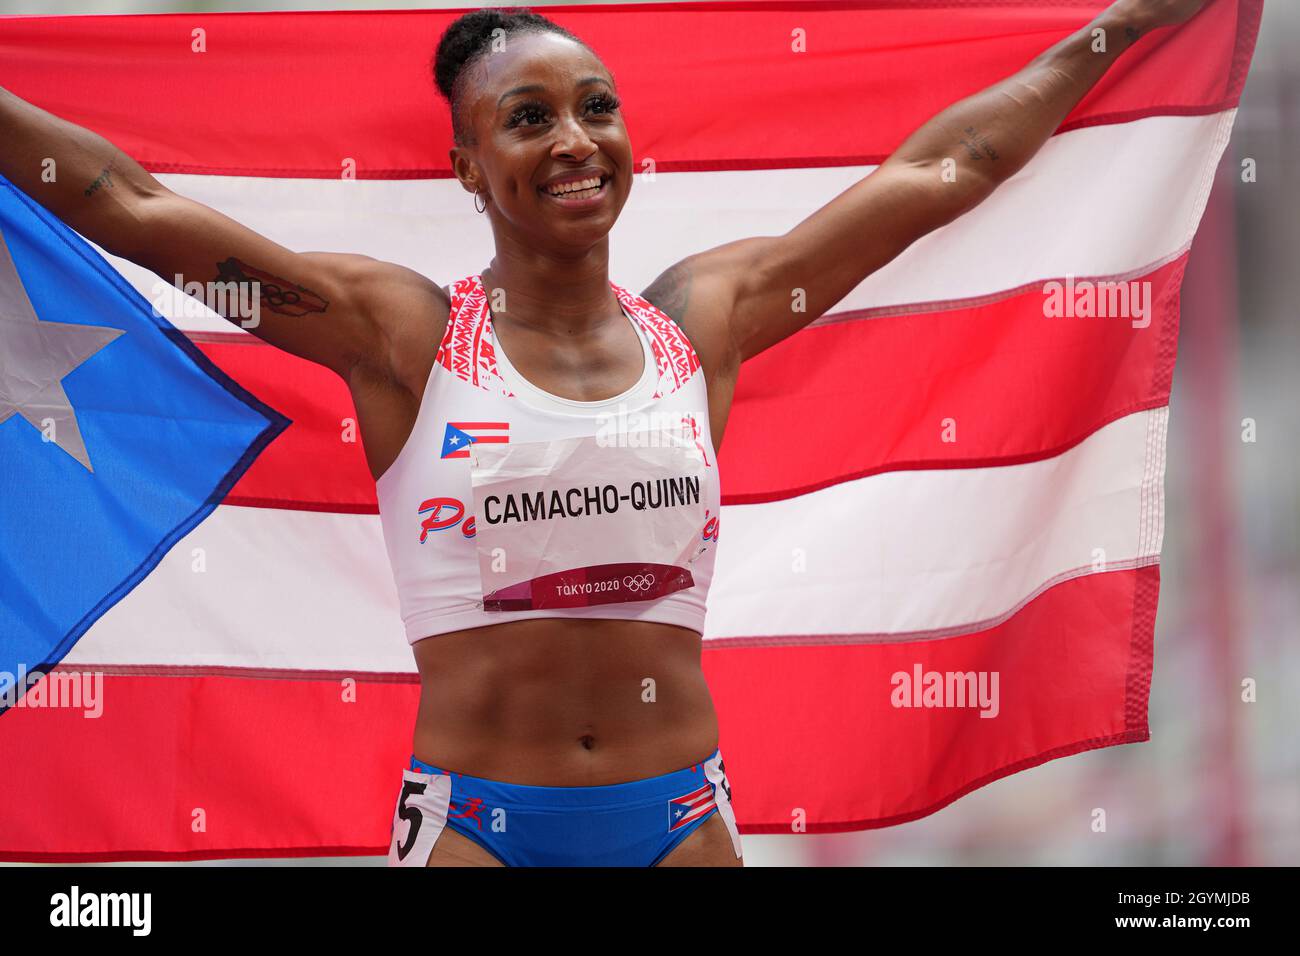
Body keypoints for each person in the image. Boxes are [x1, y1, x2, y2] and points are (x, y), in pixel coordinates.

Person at [0, 0, 1212, 866]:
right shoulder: (399, 335)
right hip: (480, 824)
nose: (575, 140)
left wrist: (1125, 25)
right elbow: (132, 206)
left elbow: (943, 170)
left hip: (681, 816)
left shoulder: (710, 316)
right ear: (468, 163)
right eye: (528, 119)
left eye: (596, 108)